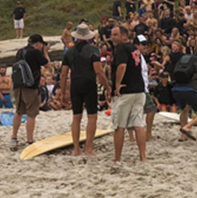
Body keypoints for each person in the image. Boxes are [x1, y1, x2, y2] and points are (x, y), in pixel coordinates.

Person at [58, 23, 111, 156]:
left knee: (76, 117)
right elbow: (98, 71)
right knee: (92, 116)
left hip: (75, 83)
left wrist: (63, 92)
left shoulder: (69, 51)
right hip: (89, 83)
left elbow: (64, 74)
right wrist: (107, 87)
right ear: (88, 36)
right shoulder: (93, 50)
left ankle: (76, 149)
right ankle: (88, 148)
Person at [109, 25, 147, 161]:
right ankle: (143, 156)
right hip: (139, 89)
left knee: (119, 125)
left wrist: (117, 84)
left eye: (115, 34)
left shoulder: (122, 49)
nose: (112, 37)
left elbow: (122, 66)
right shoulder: (134, 49)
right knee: (138, 124)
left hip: (126, 91)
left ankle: (117, 157)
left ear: (124, 36)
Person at [11, 34, 50, 148]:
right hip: (31, 86)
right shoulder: (36, 52)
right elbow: (47, 65)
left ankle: (14, 138)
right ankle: (29, 140)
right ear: (38, 43)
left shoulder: (20, 52)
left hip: (18, 85)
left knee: (18, 112)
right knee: (31, 114)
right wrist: (45, 52)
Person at [170, 48, 197, 141]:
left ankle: (183, 135)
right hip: (191, 90)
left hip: (176, 90)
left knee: (184, 110)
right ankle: (187, 127)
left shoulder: (180, 67)